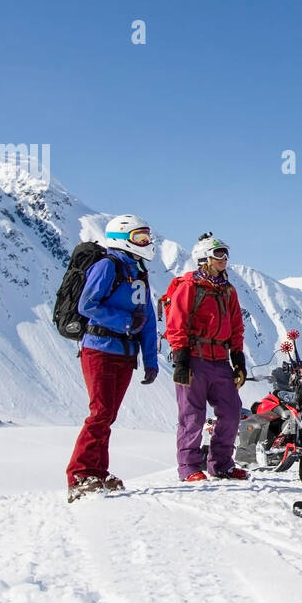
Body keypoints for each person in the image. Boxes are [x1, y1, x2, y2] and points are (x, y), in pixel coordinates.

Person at [66, 214, 160, 502]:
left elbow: (149, 319)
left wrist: (151, 360)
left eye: (147, 236)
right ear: (122, 238)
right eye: (140, 237)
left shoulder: (138, 272)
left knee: (108, 415)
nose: (146, 242)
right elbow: (87, 304)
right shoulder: (108, 265)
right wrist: (124, 321)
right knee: (100, 413)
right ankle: (79, 475)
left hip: (125, 354)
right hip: (100, 348)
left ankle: (98, 471)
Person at [164, 233, 249, 482]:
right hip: (194, 358)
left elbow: (236, 327)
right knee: (192, 416)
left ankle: (221, 464)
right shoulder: (190, 287)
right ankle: (189, 467)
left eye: (225, 253)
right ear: (204, 258)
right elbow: (176, 323)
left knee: (232, 411)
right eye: (218, 254)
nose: (224, 258)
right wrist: (180, 361)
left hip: (220, 360)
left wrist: (238, 361)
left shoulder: (228, 291)